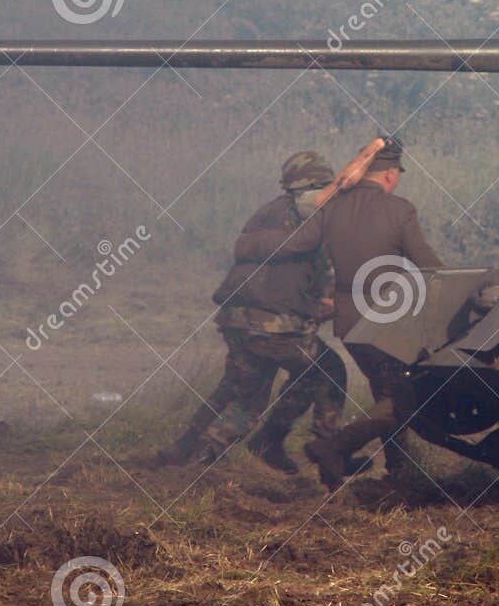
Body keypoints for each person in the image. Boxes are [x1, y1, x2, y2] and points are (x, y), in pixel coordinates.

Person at [234, 136, 443, 488]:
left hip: (350, 325)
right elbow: (428, 266)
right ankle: (334, 447)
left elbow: (295, 244)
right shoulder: (401, 210)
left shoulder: (332, 208)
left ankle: (398, 467)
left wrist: (247, 246)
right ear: (391, 175)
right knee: (402, 396)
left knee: (387, 393)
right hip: (390, 324)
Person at [160, 142, 383, 470]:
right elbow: (321, 283)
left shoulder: (268, 213)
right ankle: (327, 450)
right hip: (273, 327)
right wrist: (371, 152)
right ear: (313, 186)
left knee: (241, 392)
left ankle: (190, 454)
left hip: (238, 320)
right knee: (328, 371)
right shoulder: (309, 209)